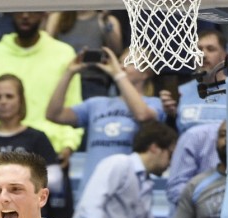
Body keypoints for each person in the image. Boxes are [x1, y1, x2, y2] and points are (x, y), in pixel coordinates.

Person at [45, 46, 172, 195]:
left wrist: (118, 74)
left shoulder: (154, 103)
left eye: (130, 62)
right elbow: (54, 114)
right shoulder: (96, 103)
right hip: (92, 189)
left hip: (128, 191)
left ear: (146, 73)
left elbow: (142, 115)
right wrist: (69, 72)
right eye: (120, 62)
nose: (122, 66)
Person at [0, 12, 82, 159]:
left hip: (53, 150)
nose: (25, 15)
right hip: (5, 152)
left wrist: (68, 145)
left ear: (43, 14)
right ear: (11, 13)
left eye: (31, 9)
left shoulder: (64, 53)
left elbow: (73, 106)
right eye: (19, 9)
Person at [0, 75, 65, 213]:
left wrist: (20, 172)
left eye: (9, 96)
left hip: (28, 212)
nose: (3, 101)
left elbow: (56, 182)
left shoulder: (37, 138)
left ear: (21, 100)